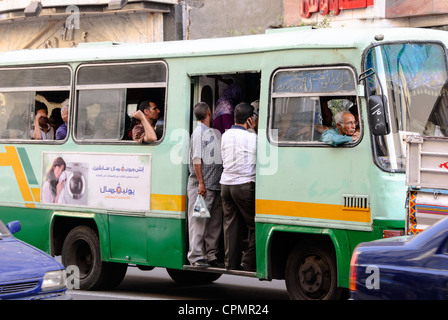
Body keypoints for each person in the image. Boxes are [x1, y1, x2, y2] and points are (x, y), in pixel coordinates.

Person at [220, 102, 257, 271]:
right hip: (244, 185)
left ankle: (230, 263)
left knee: (231, 225)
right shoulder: (252, 137)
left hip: (226, 185)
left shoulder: (225, 135)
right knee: (256, 225)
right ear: (250, 119)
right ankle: (248, 262)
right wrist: (254, 130)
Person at [187, 102, 224, 268]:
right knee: (199, 221)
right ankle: (196, 256)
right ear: (209, 112)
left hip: (214, 185)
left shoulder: (210, 132)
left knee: (214, 223)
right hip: (202, 186)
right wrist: (201, 183)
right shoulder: (198, 132)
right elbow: (197, 160)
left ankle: (210, 254)